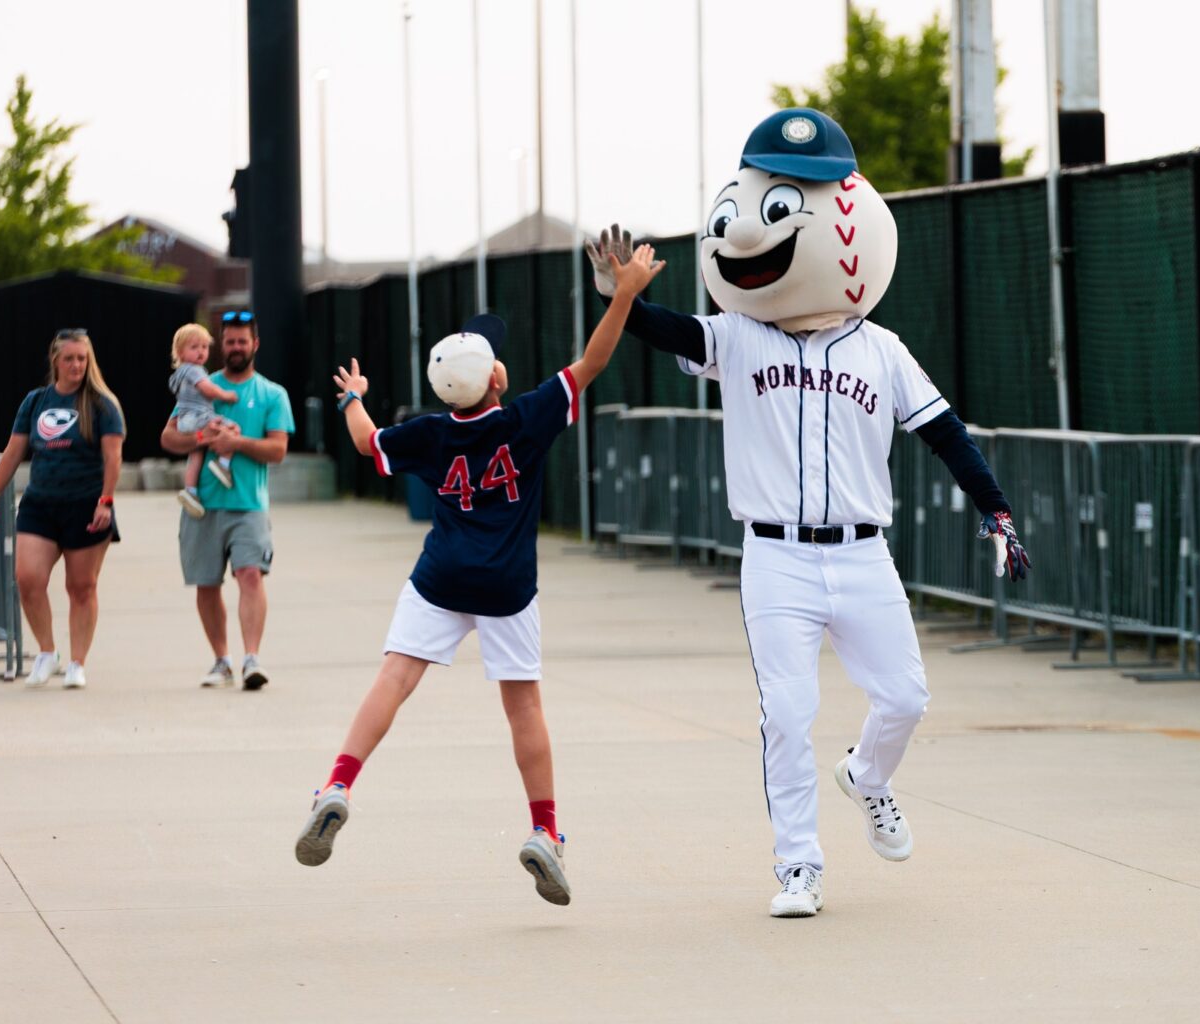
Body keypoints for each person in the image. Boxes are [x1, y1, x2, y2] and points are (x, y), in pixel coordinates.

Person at [586, 109, 1031, 918]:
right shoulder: (738, 337)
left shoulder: (881, 350)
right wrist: (622, 299)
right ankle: (799, 866)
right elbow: (666, 329)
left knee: (906, 699)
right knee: (787, 715)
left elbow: (946, 435)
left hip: (862, 554)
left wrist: (995, 511)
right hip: (777, 557)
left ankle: (867, 775)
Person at [293, 244, 664, 907]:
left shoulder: (431, 433)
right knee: (523, 706)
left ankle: (338, 785)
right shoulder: (527, 417)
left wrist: (352, 397)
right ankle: (545, 831)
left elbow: (367, 440)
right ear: (495, 378)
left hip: (440, 577)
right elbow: (594, 361)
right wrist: (626, 293)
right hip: (507, 586)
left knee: (394, 678)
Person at [0, 329, 126, 689]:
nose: (76, 365)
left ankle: (77, 663)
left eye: (82, 358)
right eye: (69, 359)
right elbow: (14, 451)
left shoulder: (102, 404)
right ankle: (47, 653)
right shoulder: (36, 401)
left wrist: (106, 501)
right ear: (56, 361)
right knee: (28, 579)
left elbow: (113, 457)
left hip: (86, 504)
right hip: (40, 503)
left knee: (81, 587)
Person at [159, 310, 294, 690]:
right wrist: (202, 439)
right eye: (230, 341)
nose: (236, 347)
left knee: (250, 574)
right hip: (202, 506)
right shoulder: (200, 384)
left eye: (242, 341)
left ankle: (251, 659)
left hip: (249, 505)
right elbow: (168, 437)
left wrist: (238, 443)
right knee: (206, 584)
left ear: (255, 344)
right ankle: (222, 661)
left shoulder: (272, 394)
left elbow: (278, 449)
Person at [168, 323, 241, 518]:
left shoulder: (178, 374)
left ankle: (190, 491)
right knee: (233, 428)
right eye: (194, 347)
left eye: (204, 347)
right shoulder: (194, 370)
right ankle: (223, 464)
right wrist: (226, 395)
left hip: (184, 421)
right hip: (199, 416)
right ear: (180, 353)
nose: (201, 352)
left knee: (196, 454)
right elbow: (208, 389)